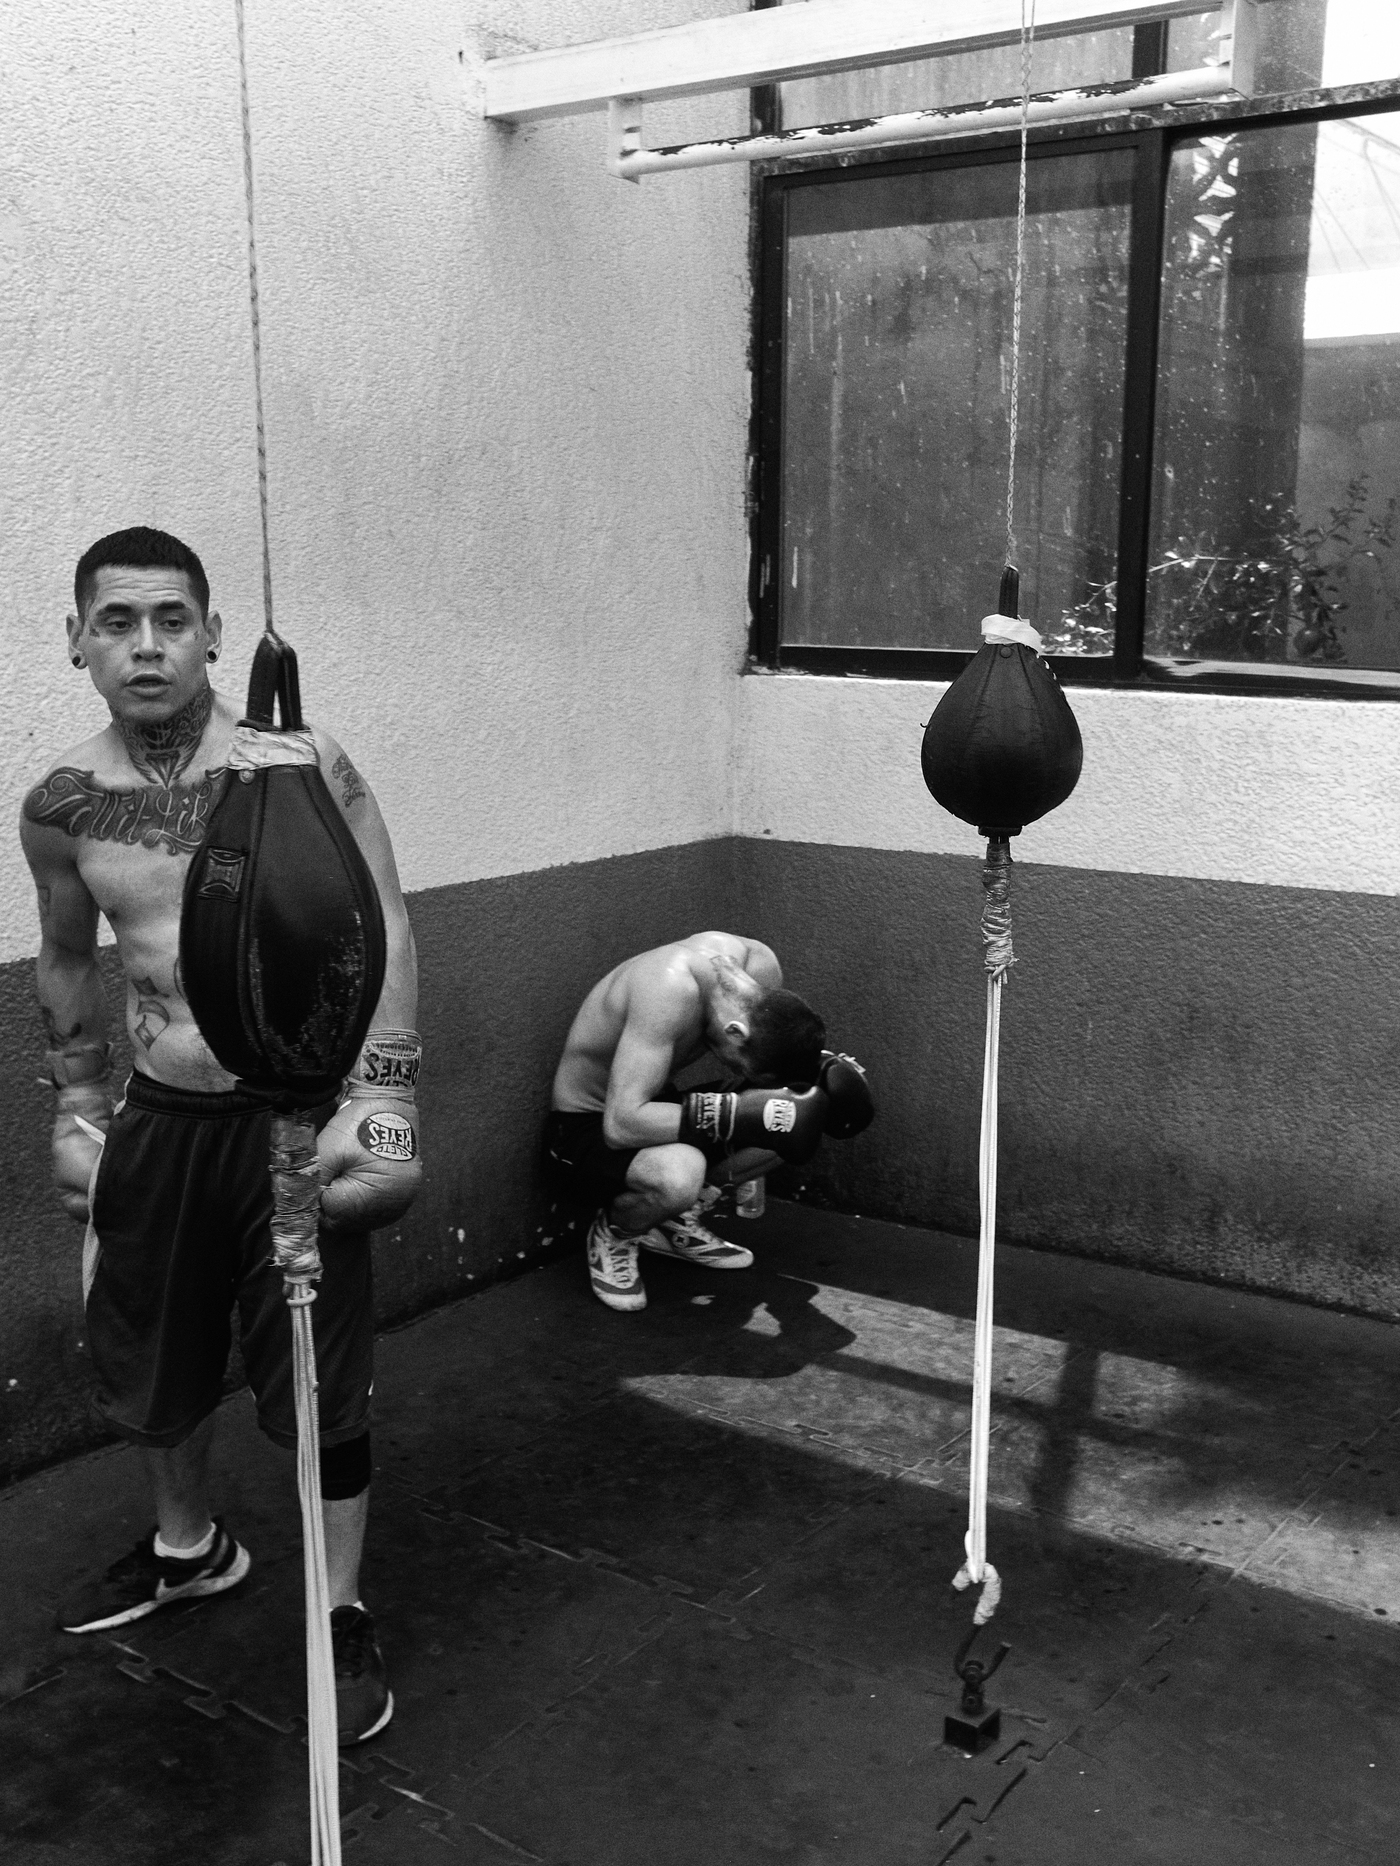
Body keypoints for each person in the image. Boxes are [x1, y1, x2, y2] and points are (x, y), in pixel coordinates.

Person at [20, 527, 421, 1746]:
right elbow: (65, 956)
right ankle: (188, 1549)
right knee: (152, 1353)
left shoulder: (297, 765)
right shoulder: (61, 803)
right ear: (76, 641)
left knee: (319, 1374)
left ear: (212, 636)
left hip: (291, 1116)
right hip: (161, 1122)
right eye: (118, 621)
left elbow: (384, 922)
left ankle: (339, 1610)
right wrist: (78, 1107)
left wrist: (386, 1099)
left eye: (172, 620)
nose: (146, 645)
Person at [547, 931, 872, 1312]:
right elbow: (621, 1126)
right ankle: (617, 1234)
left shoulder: (758, 965)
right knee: (681, 1172)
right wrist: (740, 1115)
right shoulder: (666, 989)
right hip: (588, 1127)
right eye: (740, 1064)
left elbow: (773, 1051)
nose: (737, 1072)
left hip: (656, 1106)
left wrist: (815, 1077)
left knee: (805, 1107)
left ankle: (674, 1218)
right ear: (735, 1031)